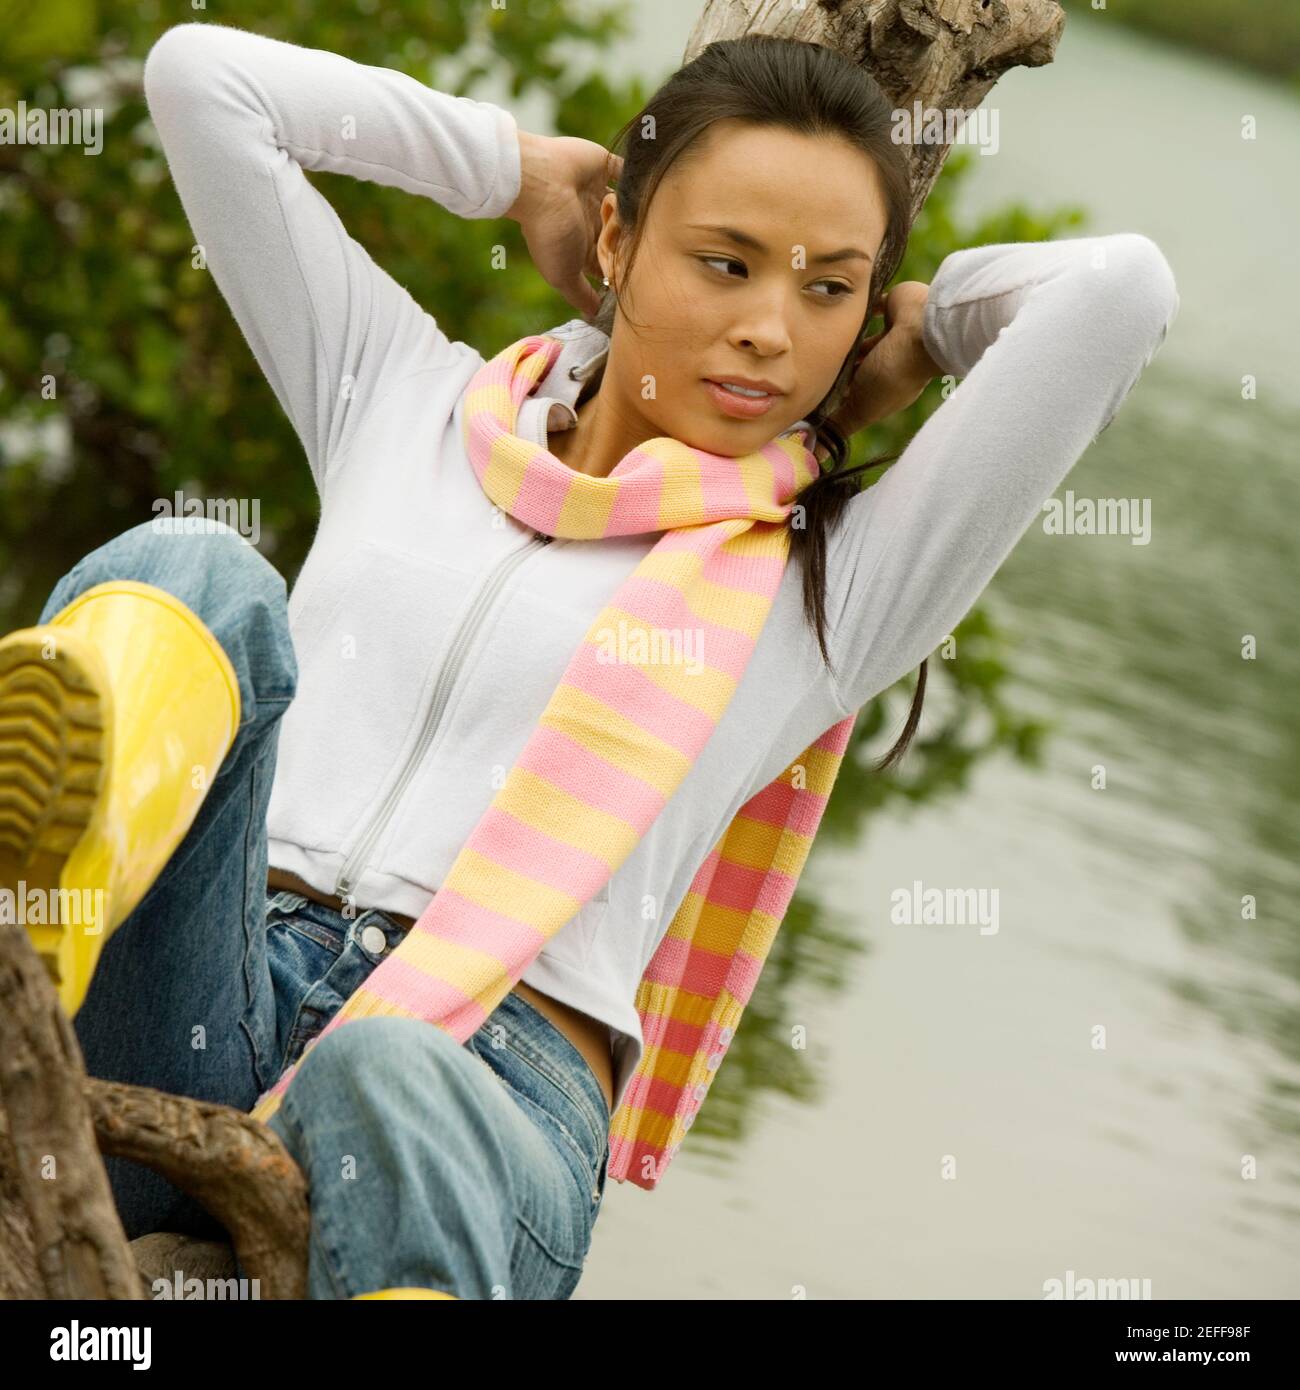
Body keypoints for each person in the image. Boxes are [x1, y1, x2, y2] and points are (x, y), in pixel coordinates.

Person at [0, 22, 1179, 1299]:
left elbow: (1116, 296)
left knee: (379, 1073)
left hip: (492, 1086)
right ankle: (45, 926)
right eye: (724, 263)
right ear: (616, 242)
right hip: (200, 993)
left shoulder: (829, 586)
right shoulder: (399, 398)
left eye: (823, 289)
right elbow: (200, 82)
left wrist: (925, 328)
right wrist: (516, 171)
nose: (771, 331)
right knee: (197, 574)